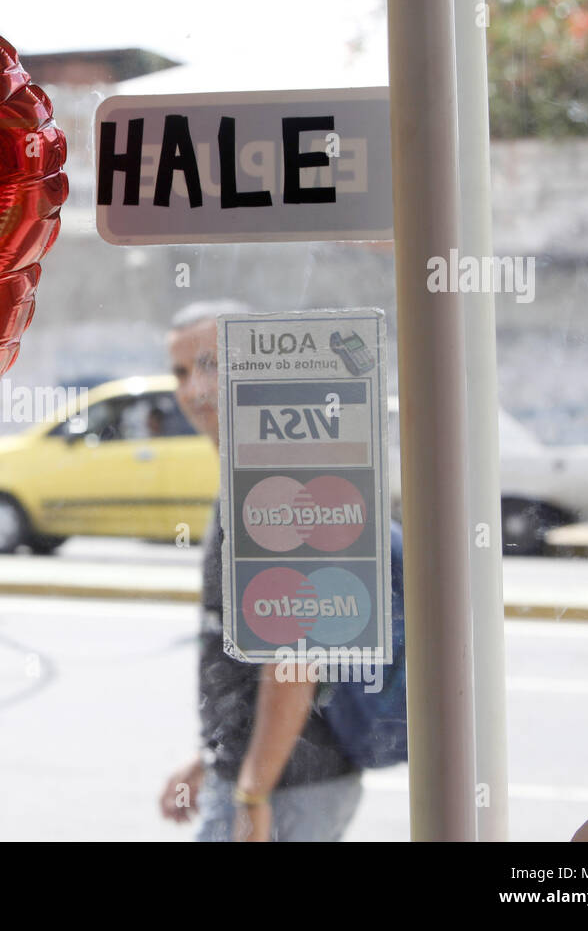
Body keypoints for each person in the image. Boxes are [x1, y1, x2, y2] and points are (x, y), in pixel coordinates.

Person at [158, 300, 363, 842]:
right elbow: (244, 646)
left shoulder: (274, 479)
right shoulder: (250, 473)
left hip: (287, 785)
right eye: (180, 372)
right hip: (273, 777)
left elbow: (296, 651)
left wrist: (252, 792)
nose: (192, 390)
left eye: (210, 365)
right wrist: (212, 758)